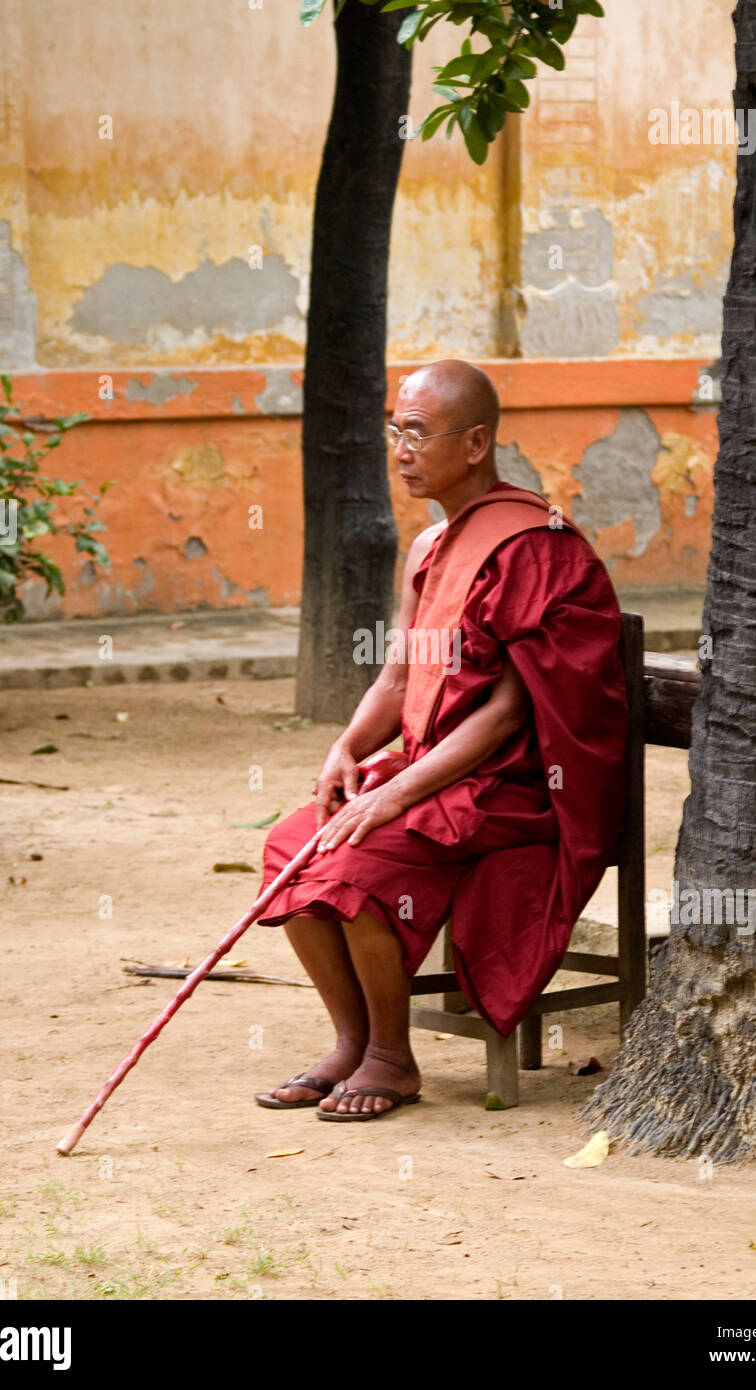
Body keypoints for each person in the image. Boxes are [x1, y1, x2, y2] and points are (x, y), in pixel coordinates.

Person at [253, 359, 628, 1120]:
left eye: (417, 433)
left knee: (352, 863)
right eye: (395, 430)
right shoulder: (429, 548)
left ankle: (394, 1059)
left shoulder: (537, 546)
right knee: (288, 844)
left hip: (514, 788)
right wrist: (349, 750)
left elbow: (506, 717)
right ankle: (353, 1043)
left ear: (477, 442)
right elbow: (398, 680)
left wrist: (394, 795)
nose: (400, 449)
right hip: (433, 773)